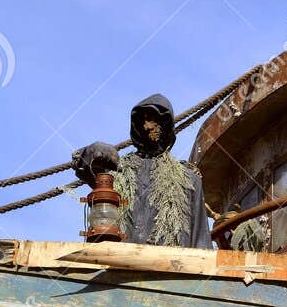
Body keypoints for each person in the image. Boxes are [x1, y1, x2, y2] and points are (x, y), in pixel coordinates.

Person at [73, 94, 213, 248]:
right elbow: (84, 167)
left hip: (170, 266)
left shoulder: (189, 179)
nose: (147, 127)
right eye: (143, 121)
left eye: (153, 120)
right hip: (118, 263)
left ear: (165, 124)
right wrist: (94, 152)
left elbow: (201, 240)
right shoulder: (117, 172)